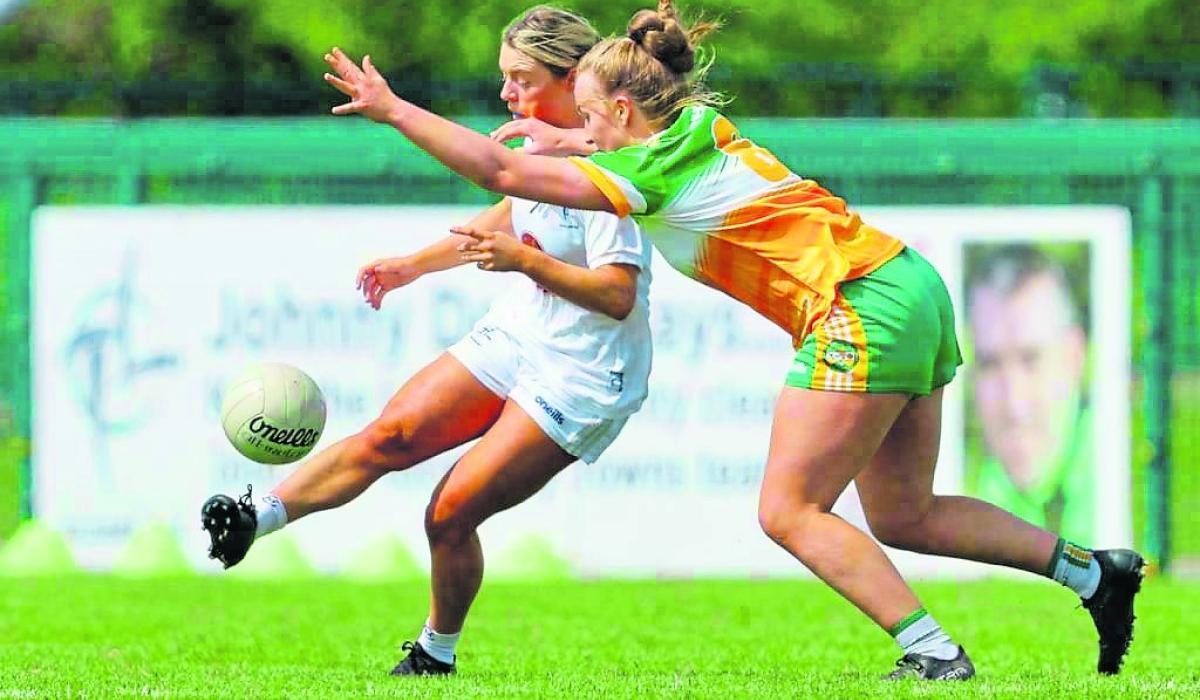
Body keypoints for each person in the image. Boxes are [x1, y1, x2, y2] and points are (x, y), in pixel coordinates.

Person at [321, 0, 1144, 679]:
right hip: (909, 284)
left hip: (856, 305)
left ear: (617, 108)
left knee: (789, 510)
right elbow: (608, 148)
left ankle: (933, 655)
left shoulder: (643, 173)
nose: (582, 132)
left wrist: (394, 111)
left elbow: (502, 178)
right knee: (905, 513)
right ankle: (1092, 573)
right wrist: (566, 140)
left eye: (590, 119)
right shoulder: (702, 128)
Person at [202, 6, 654, 677]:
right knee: (390, 435)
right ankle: (255, 520)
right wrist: (413, 264)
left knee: (447, 514)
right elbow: (507, 209)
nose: (506, 93)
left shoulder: (615, 170)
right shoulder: (537, 147)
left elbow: (617, 296)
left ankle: (435, 653)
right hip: (523, 332)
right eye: (504, 77)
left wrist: (524, 260)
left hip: (583, 374)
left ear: (570, 80)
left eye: (521, 79)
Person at [967, 244, 1095, 541]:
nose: (1015, 404)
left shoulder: (1125, 472)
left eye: (1032, 360)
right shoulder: (969, 489)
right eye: (990, 365)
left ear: (1074, 355)